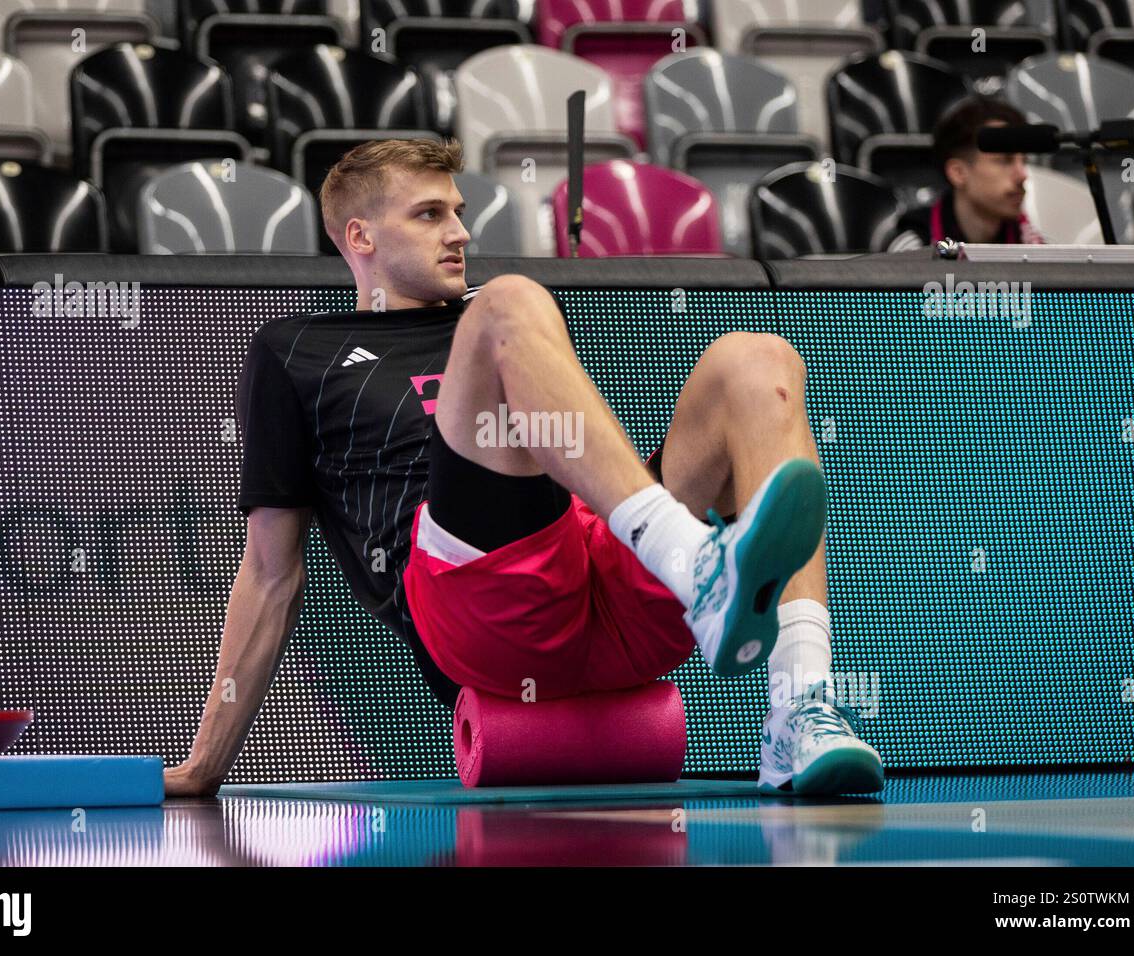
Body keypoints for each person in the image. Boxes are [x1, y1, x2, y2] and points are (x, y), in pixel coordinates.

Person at [165, 138, 884, 798]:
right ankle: (694, 564)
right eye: (430, 214)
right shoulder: (298, 350)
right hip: (482, 615)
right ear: (361, 238)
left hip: (605, 575)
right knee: (511, 301)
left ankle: (800, 704)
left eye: (459, 211)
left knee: (758, 359)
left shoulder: (494, 309)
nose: (461, 232)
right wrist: (205, 765)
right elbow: (269, 573)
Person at [890, 96, 1046, 250]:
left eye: (1024, 161)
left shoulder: (1032, 243)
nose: (1023, 175)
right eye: (1005, 160)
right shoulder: (914, 248)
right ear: (958, 173)